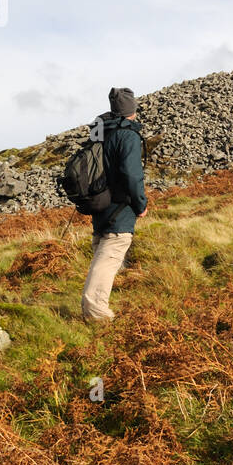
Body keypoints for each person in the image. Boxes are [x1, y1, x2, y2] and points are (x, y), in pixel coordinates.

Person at [81, 87, 148, 321]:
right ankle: (96, 311)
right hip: (119, 206)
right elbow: (132, 174)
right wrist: (141, 204)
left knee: (102, 249)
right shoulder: (127, 135)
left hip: (99, 203)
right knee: (110, 255)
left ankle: (98, 303)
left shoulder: (102, 132)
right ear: (132, 110)